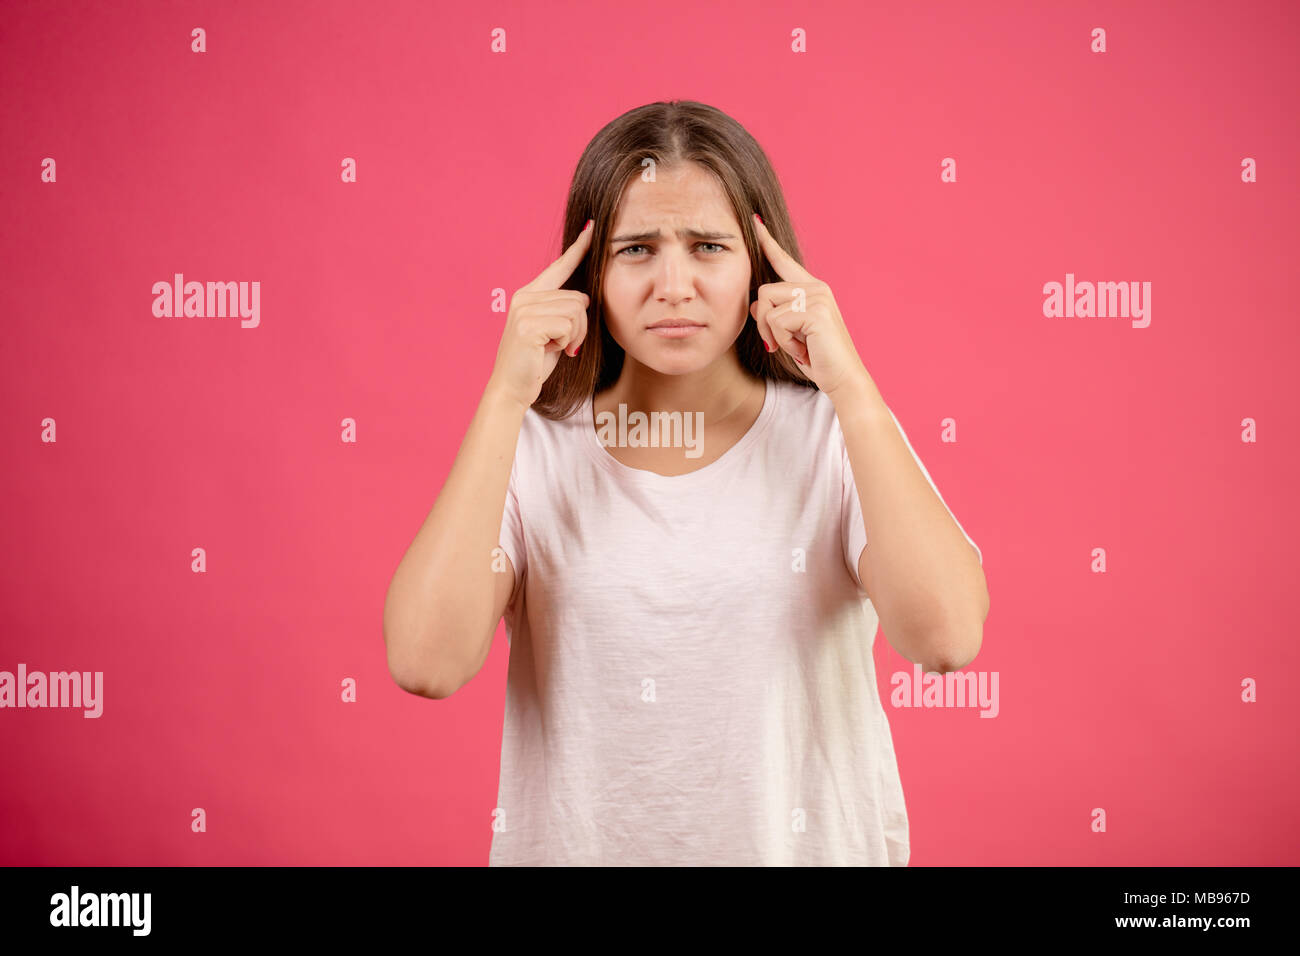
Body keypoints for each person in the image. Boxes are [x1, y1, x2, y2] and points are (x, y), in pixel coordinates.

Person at [383, 100, 989, 866]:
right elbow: (425, 663)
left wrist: (853, 388)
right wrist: (504, 398)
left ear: (760, 266)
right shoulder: (528, 451)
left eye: (708, 246)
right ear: (588, 273)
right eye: (637, 249)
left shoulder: (835, 438)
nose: (674, 284)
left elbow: (947, 638)